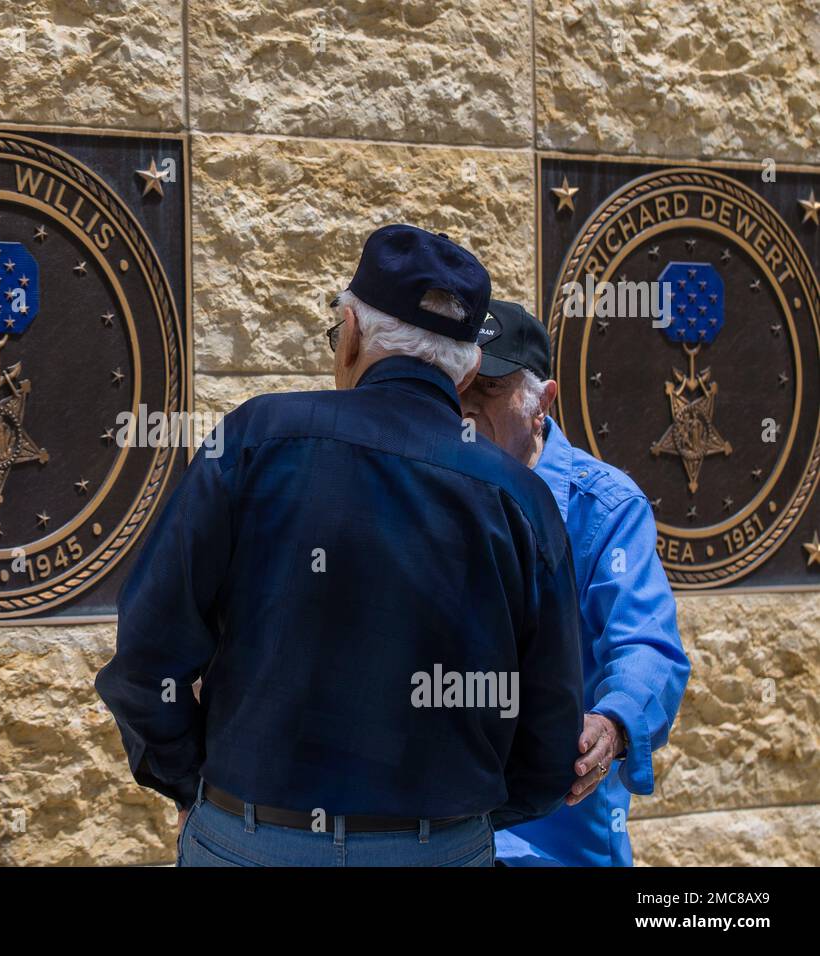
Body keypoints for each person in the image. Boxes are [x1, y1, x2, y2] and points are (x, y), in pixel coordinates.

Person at [95, 225, 582, 866]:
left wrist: (192, 781)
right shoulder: (521, 497)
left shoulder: (254, 439)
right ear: (466, 366)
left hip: (249, 839)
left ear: (350, 333)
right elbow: (551, 729)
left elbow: (147, 658)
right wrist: (460, 823)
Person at [461, 299, 690, 866]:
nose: (464, 412)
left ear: (543, 402)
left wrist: (612, 723)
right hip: (436, 835)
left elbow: (647, 644)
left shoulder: (607, 506)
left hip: (557, 842)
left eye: (487, 392)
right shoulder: (429, 485)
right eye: (456, 389)